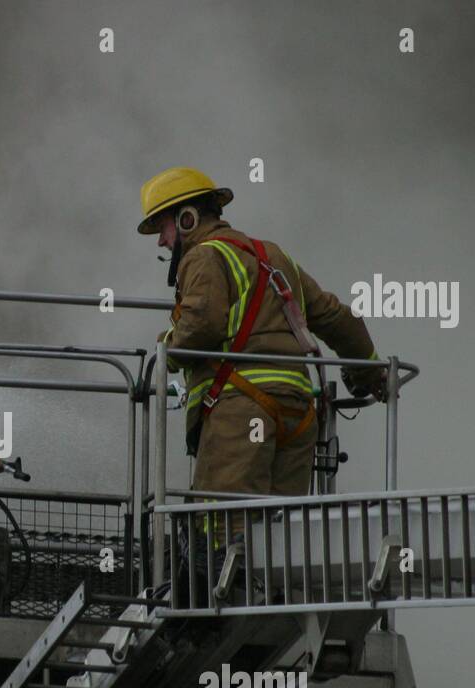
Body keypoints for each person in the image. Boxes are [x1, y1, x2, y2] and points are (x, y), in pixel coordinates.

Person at [138, 166, 387, 503]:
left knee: (226, 524)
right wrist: (371, 372)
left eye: (162, 226)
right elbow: (336, 317)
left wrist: (167, 349)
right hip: (297, 416)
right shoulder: (272, 255)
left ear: (187, 218)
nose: (161, 241)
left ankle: (230, 555)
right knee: (282, 537)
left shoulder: (202, 255)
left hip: (241, 414)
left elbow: (202, 325)